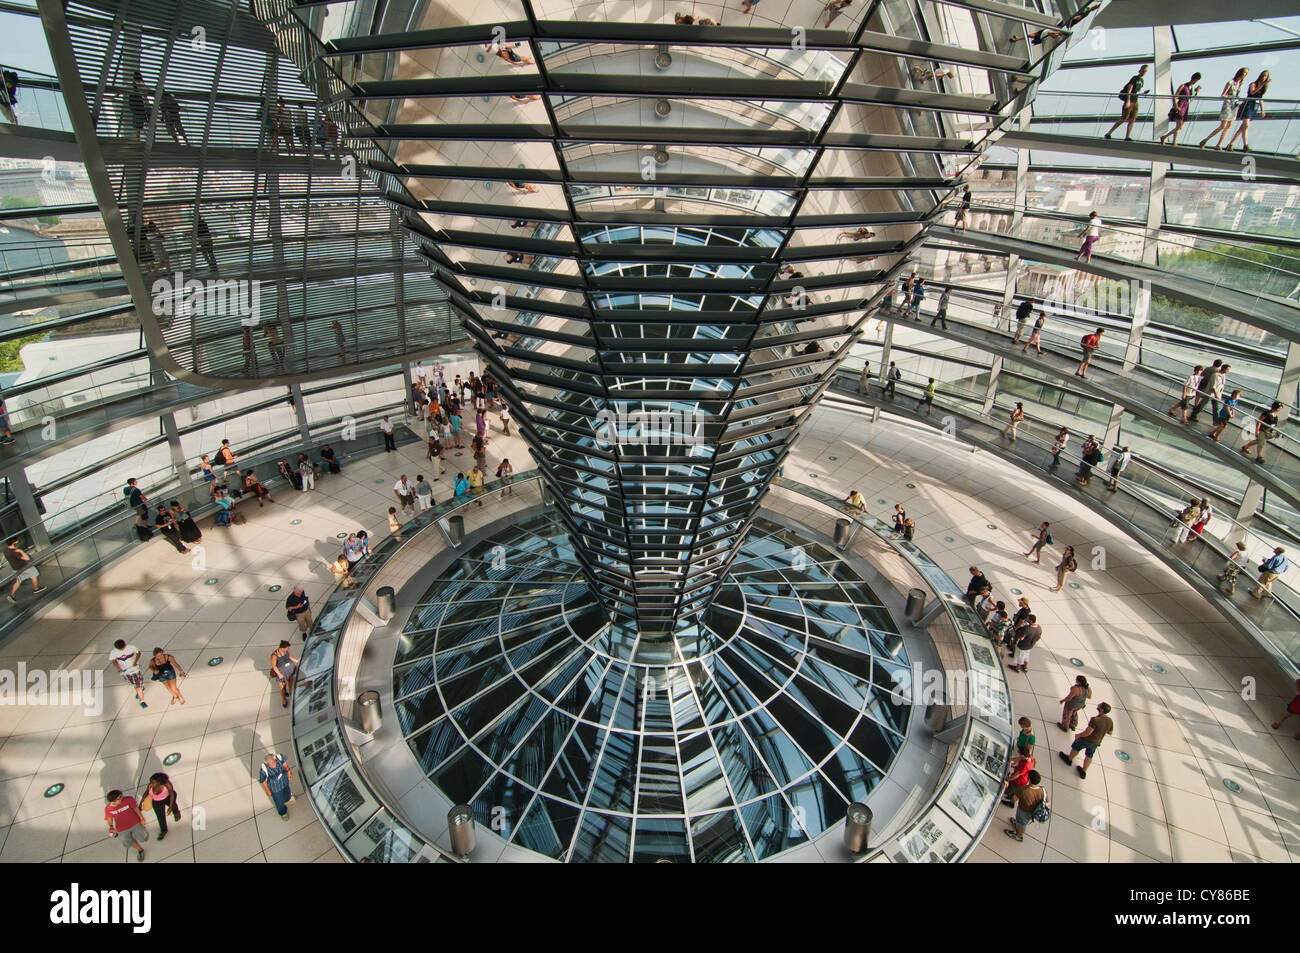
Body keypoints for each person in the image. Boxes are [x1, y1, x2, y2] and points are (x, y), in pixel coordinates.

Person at [1060, 702, 1113, 779]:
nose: (1097, 705)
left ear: (1101, 710)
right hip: (1096, 742)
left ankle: (1069, 759)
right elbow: (1110, 732)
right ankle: (1083, 771)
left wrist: (1079, 735)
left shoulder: (1095, 720)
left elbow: (1088, 732)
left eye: (1099, 705)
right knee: (1089, 755)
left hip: (1086, 740)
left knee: (1076, 748)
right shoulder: (1110, 721)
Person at [1199, 68, 1249, 149]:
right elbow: (1223, 95)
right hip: (1228, 105)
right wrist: (1231, 97)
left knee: (1228, 126)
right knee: (1223, 125)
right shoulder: (1230, 83)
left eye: (1246, 74)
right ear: (1240, 73)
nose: (1245, 75)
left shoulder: (1240, 84)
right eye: (1244, 73)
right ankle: (1205, 140)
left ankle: (1219, 144)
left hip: (1234, 107)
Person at [1225, 70, 1269, 152]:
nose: (1264, 77)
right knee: (1246, 126)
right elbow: (1252, 93)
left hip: (1254, 108)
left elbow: (1261, 99)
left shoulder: (1263, 87)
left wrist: (1263, 110)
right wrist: (1261, 85)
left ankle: (1230, 144)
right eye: (1263, 75)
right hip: (1248, 106)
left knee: (1242, 128)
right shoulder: (1253, 84)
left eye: (1266, 76)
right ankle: (1245, 145)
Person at [1104, 64, 1148, 141]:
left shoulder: (1142, 81)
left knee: (1132, 119)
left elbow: (1136, 92)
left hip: (1135, 101)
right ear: (1140, 70)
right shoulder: (1134, 78)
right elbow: (1129, 90)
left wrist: (1143, 93)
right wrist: (1128, 101)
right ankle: (1109, 133)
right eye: (1143, 71)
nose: (1144, 73)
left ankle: (1127, 136)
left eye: (1146, 71)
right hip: (1130, 101)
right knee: (1124, 118)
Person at [1004, 769, 1048, 842]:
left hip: (1023, 810)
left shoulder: (1024, 790)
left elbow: (1014, 799)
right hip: (1032, 811)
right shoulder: (1042, 790)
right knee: (1023, 821)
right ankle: (1018, 825)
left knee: (1022, 823)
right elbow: (1047, 802)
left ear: (1029, 780)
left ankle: (1019, 835)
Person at [1159, 72, 1202, 146]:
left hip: (1185, 107)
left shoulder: (1190, 88)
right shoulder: (1183, 86)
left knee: (1179, 126)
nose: (1196, 82)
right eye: (1196, 80)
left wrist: (1197, 92)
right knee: (1179, 126)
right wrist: (1176, 105)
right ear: (1194, 79)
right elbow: (1176, 95)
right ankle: (1167, 138)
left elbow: (1190, 99)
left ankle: (1171, 140)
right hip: (1180, 106)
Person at [105, 789, 148, 861]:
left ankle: (142, 831)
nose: (121, 798)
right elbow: (109, 817)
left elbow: (136, 809)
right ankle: (140, 850)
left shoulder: (129, 799)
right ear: (113, 801)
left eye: (121, 796)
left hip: (135, 822)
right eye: (119, 798)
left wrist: (142, 818)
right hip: (122, 828)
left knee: (144, 838)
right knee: (128, 841)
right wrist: (111, 826)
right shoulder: (108, 809)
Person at [140, 773, 181, 840]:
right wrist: (141, 803)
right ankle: (164, 830)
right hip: (157, 801)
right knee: (160, 816)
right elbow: (146, 793)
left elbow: (172, 795)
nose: (151, 783)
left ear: (159, 782)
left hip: (168, 798)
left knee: (173, 805)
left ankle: (176, 812)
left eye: (153, 782)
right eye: (150, 781)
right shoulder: (150, 786)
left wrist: (170, 807)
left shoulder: (167, 785)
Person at [5, 538, 45, 604]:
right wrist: (21, 551)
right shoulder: (15, 551)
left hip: (16, 569)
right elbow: (27, 558)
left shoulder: (6, 550)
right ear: (14, 543)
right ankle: (36, 589)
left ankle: (12, 595)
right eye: (16, 541)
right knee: (34, 575)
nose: (17, 541)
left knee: (18, 581)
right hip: (25, 567)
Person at [109, 639, 147, 708]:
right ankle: (141, 688)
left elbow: (138, 653)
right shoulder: (113, 652)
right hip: (125, 671)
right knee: (134, 682)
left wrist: (135, 662)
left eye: (122, 648)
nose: (121, 650)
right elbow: (113, 660)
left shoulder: (131, 647)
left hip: (134, 669)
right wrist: (119, 668)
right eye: (120, 649)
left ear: (125, 645)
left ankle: (142, 701)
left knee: (137, 685)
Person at [1188, 360, 1228, 424]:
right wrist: (1217, 395)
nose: (1228, 371)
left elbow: (1202, 374)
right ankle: (1194, 414)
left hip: (1208, 387)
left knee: (1212, 406)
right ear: (1222, 367)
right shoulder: (1216, 374)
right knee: (1206, 405)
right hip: (1212, 393)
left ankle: (1216, 421)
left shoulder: (1218, 373)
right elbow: (1214, 386)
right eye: (1227, 369)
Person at [258, 752, 295, 820]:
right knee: (279, 802)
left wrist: (289, 772)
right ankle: (283, 813)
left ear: (275, 759)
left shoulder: (279, 758)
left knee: (287, 793)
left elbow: (285, 765)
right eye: (270, 764)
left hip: (284, 781)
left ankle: (287, 799)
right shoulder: (264, 770)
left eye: (273, 762)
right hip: (275, 788)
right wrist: (267, 791)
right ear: (267, 764)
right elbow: (263, 781)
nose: (272, 765)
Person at [270, 641, 298, 708]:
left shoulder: (287, 650)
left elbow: (290, 657)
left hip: (289, 669)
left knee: (291, 681)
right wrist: (279, 674)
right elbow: (274, 666)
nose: (288, 649)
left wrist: (296, 661)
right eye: (287, 648)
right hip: (281, 672)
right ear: (282, 648)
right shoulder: (274, 655)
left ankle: (291, 692)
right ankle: (284, 700)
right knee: (282, 687)